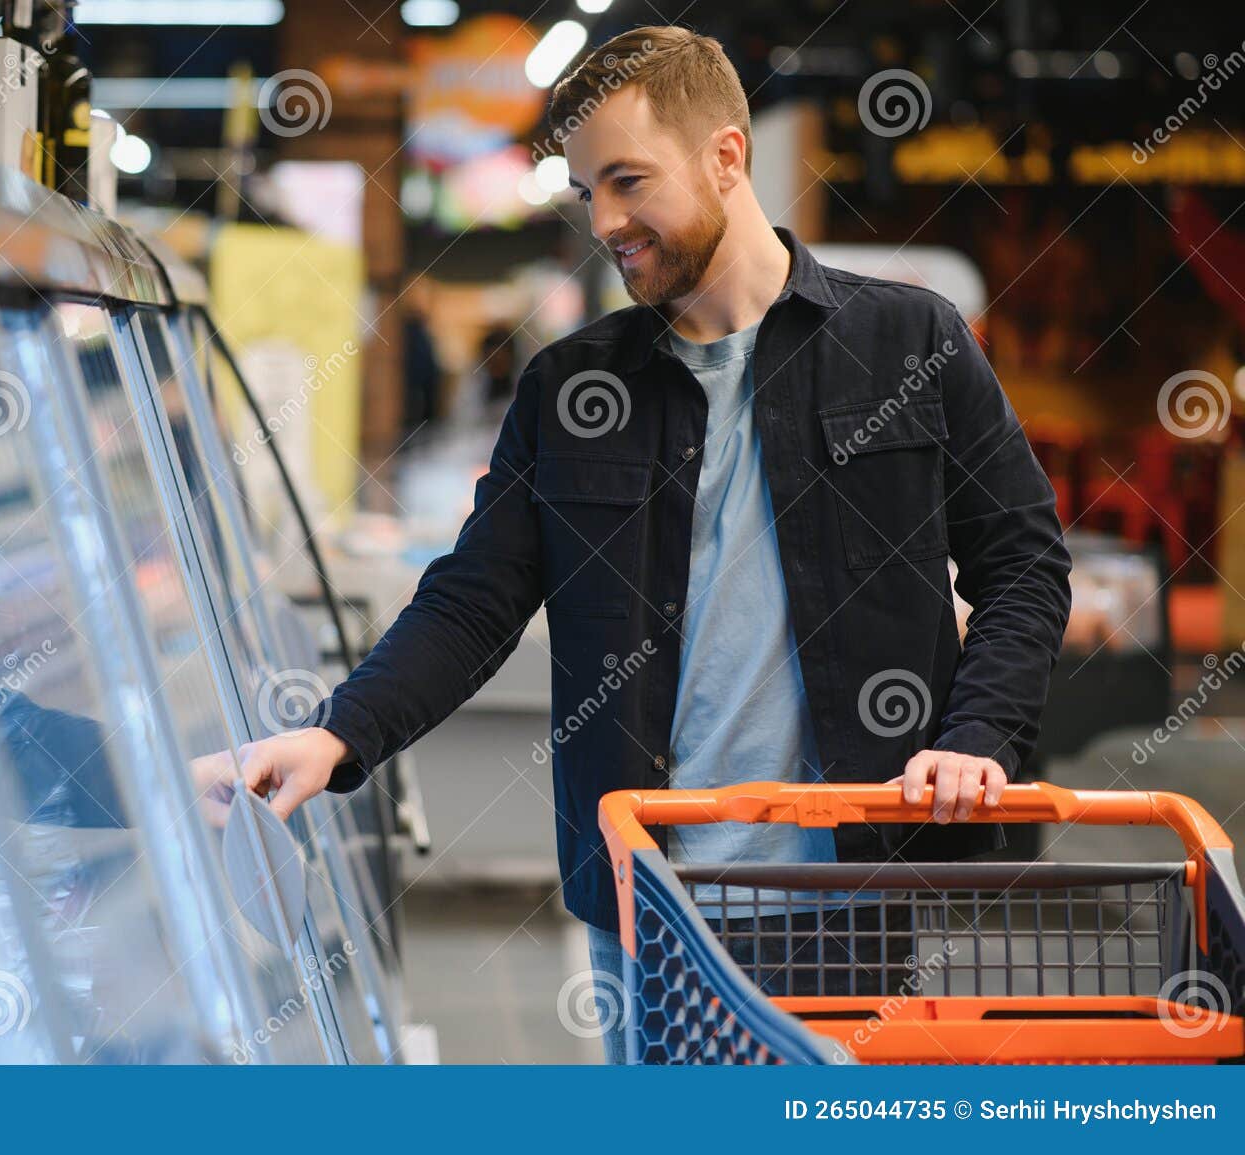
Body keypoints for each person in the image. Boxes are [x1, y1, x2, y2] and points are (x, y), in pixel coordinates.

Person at [230, 25, 1071, 1063]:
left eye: (629, 180)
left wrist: (975, 736)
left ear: (727, 156)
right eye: (586, 192)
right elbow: (475, 600)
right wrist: (338, 732)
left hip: (845, 887)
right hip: (645, 894)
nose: (607, 221)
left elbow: (1023, 566)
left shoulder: (909, 343)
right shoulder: (572, 389)